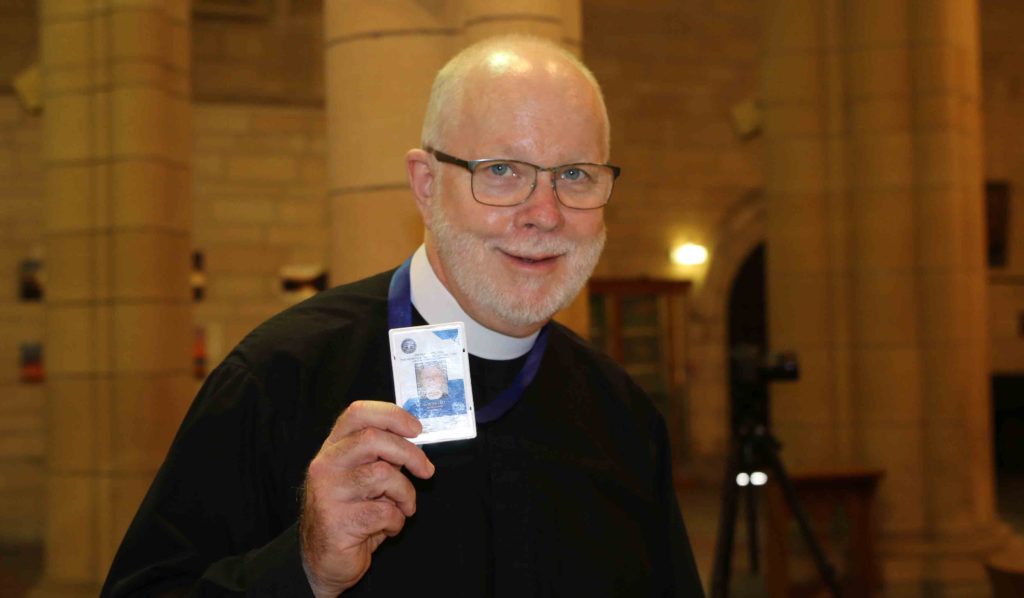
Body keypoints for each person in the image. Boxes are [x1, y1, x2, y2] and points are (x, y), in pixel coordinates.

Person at [102, 35, 704, 597]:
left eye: (574, 174)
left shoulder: (623, 415)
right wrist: (302, 566)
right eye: (501, 171)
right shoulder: (281, 375)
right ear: (425, 184)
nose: (543, 214)